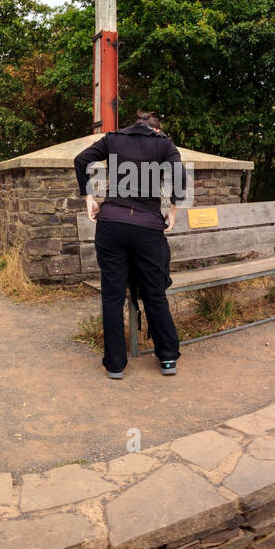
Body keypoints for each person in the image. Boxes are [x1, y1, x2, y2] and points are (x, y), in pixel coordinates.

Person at [75, 111, 188, 379]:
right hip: (147, 228)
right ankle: (168, 358)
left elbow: (81, 160)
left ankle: (115, 365)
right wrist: (173, 210)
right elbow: (180, 174)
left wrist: (89, 197)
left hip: (111, 224)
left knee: (112, 296)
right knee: (154, 293)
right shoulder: (163, 144)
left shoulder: (112, 139)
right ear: (156, 130)